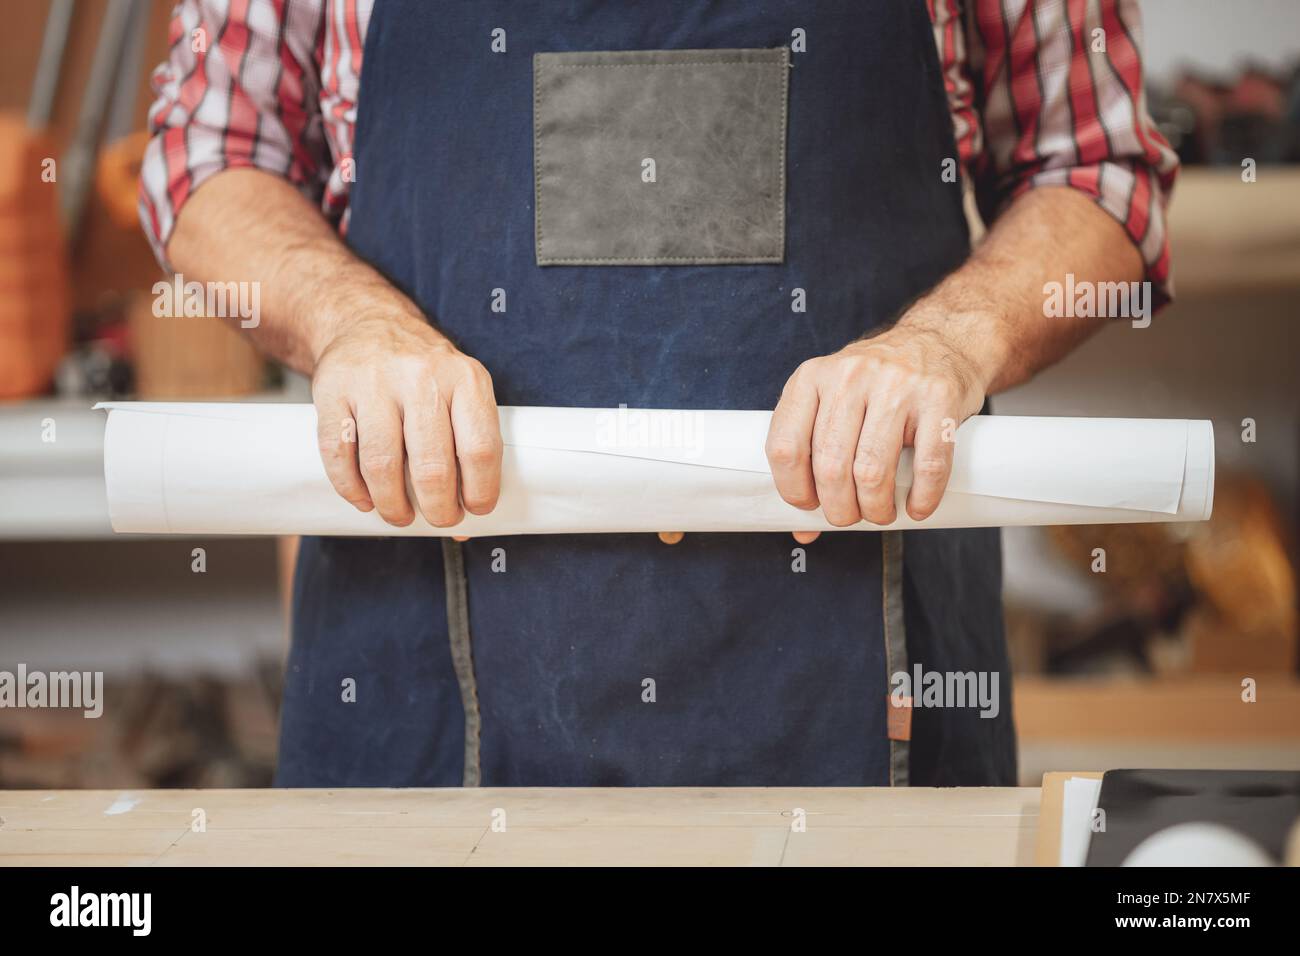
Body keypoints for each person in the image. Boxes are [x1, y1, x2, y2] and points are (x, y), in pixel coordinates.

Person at [140, 0, 1178, 788]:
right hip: (419, 699)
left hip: (874, 707)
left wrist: (951, 337)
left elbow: (1099, 167)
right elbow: (209, 154)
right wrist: (348, 319)